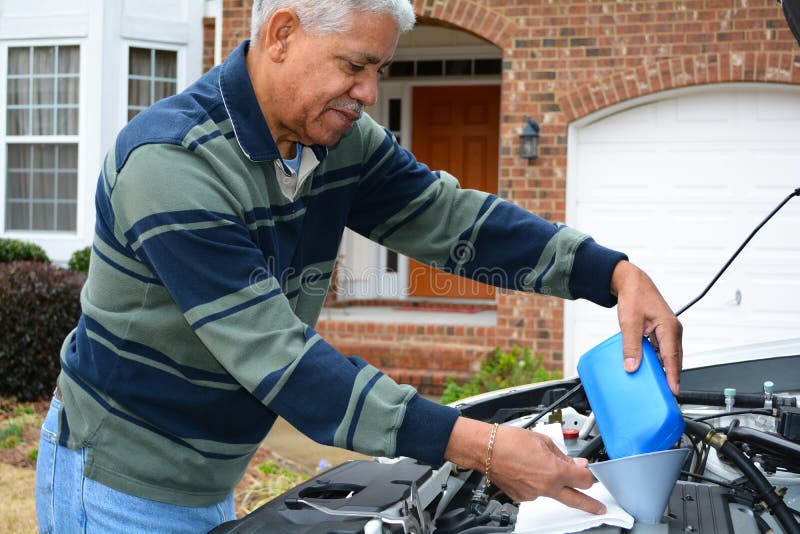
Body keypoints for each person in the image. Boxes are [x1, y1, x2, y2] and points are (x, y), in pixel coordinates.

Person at [35, 0, 682, 531]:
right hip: (119, 485)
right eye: (355, 65)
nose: (370, 92)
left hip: (210, 475)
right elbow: (281, 361)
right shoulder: (171, 161)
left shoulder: (336, 141)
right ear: (283, 33)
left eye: (380, 69)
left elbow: (454, 222)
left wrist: (612, 274)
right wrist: (482, 447)